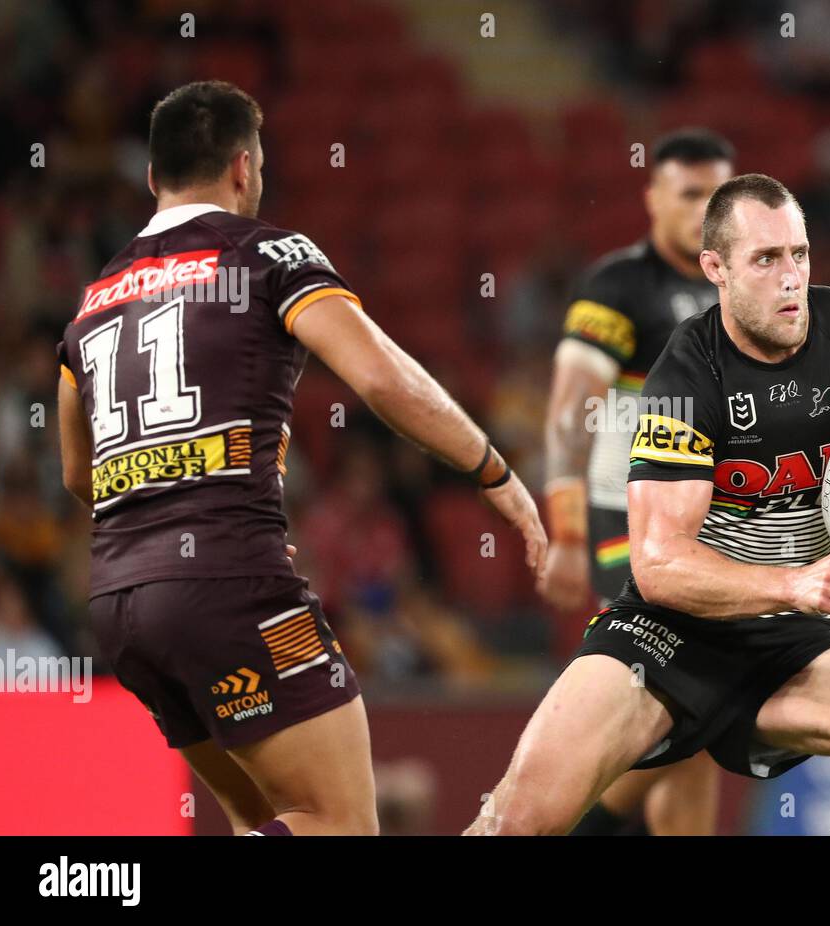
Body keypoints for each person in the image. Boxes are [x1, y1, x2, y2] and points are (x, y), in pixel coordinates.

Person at [55, 81, 546, 836]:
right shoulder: (269, 254)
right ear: (245, 167)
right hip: (230, 587)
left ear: (152, 178)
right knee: (341, 824)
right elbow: (381, 376)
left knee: (269, 819)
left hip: (122, 604)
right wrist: (493, 470)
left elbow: (77, 476)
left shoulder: (90, 305)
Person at [468, 173, 830, 836]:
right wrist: (794, 582)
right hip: (669, 634)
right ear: (716, 268)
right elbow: (657, 566)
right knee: (516, 823)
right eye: (766, 259)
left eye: (799, 253)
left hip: (790, 640)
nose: (790, 277)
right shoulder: (685, 376)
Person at [540, 129, 733, 835]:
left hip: (710, 527)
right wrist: (563, 531)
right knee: (701, 700)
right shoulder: (620, 286)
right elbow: (569, 414)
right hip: (625, 520)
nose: (706, 209)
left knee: (697, 726)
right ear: (653, 198)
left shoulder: (740, 290)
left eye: (719, 195)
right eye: (689, 194)